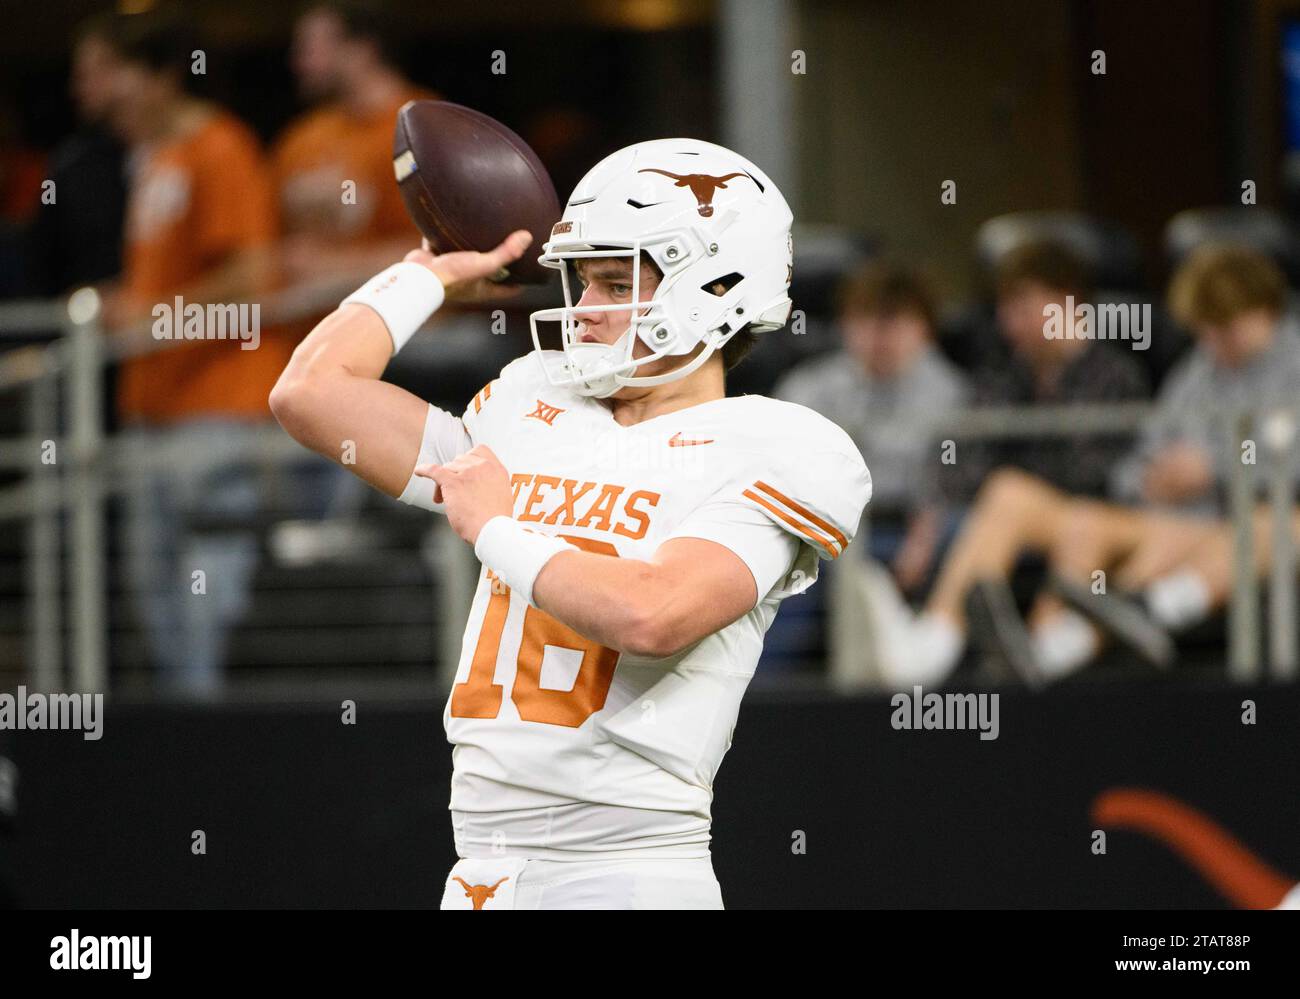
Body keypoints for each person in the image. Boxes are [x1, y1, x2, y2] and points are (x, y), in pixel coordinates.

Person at [271, 138, 872, 909]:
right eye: (585, 280)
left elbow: (653, 612)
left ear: (715, 288)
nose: (584, 309)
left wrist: (497, 528)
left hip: (625, 869)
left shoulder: (771, 445)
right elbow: (311, 394)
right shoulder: (533, 402)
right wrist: (427, 271)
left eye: (615, 282)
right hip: (485, 869)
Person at [100, 10, 291, 695]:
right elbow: (164, 286)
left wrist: (151, 316)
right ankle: (188, 755)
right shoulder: (154, 160)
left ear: (158, 76)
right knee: (153, 596)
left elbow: (249, 280)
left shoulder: (221, 149)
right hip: (156, 408)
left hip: (219, 409)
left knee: (206, 602)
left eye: (108, 75)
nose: (95, 96)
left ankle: (214, 762)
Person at [861, 240, 1149, 687]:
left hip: (1094, 521)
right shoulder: (1000, 376)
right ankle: (1016, 649)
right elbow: (957, 460)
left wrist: (1020, 492)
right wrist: (931, 518)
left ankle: (931, 648)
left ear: (1067, 299)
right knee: (996, 499)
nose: (1008, 321)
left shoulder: (1118, 377)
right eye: (1004, 306)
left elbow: (1106, 477)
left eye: (1023, 305)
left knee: (1009, 494)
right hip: (1003, 518)